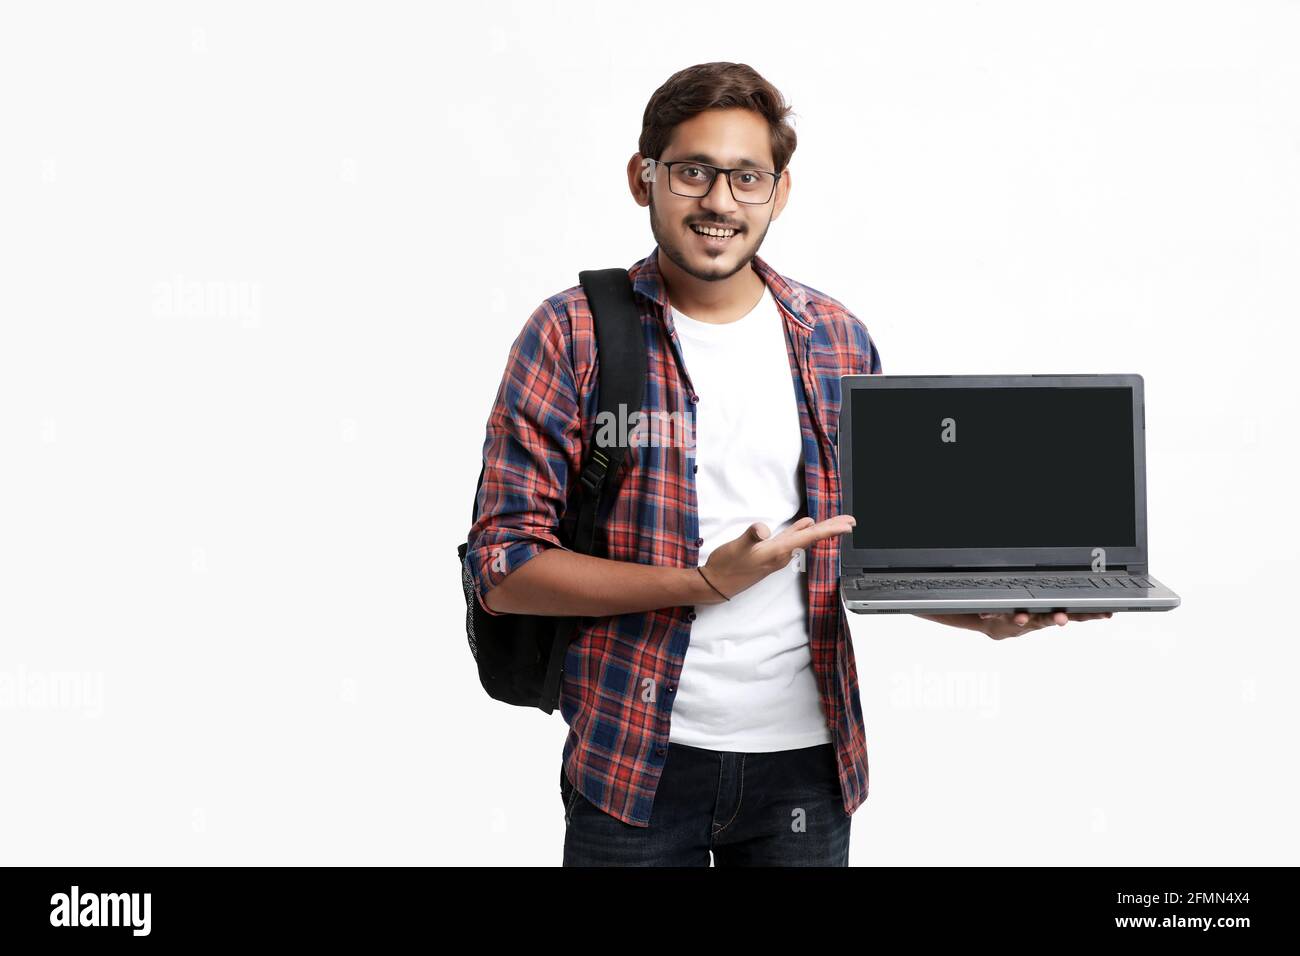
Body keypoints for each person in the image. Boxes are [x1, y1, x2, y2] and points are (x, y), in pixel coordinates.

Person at [463, 61, 1111, 867]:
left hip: (807, 768)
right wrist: (701, 583)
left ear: (779, 192)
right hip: (632, 761)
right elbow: (505, 564)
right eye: (693, 171)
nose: (720, 202)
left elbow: (866, 551)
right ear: (645, 178)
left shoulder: (836, 339)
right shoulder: (572, 334)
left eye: (747, 177)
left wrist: (979, 613)